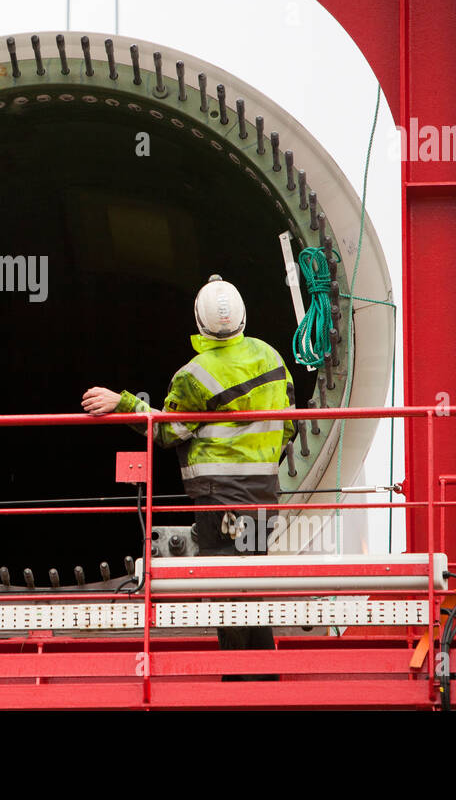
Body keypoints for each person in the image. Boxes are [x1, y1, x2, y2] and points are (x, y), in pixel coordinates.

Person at [81, 274, 296, 679]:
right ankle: (266, 678)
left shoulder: (194, 375)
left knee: (225, 588)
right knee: (253, 582)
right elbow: (290, 424)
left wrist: (122, 403)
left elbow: (166, 431)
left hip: (219, 500)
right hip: (265, 493)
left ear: (199, 324)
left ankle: (239, 683)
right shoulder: (272, 358)